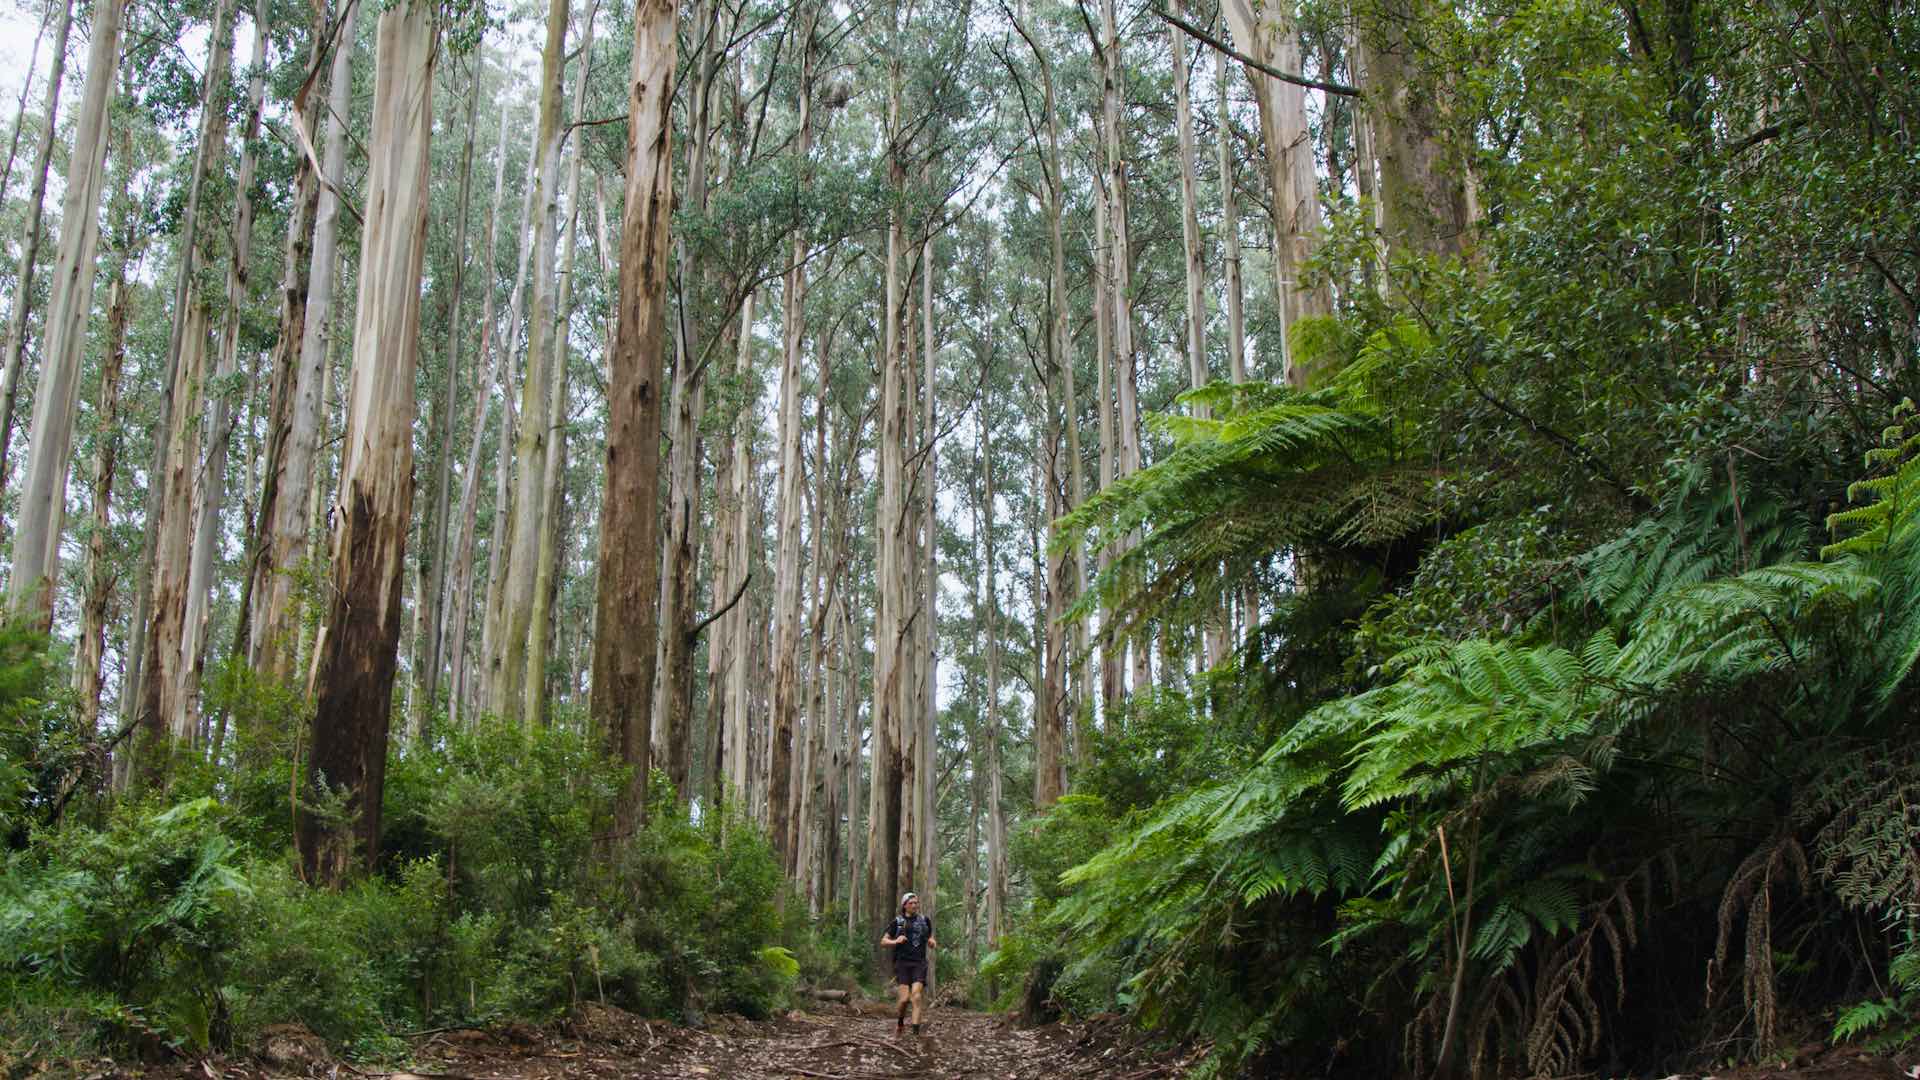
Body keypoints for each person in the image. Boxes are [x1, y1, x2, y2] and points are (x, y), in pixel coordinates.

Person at [880, 891, 937, 1035]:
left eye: (916, 903)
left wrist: (931, 941)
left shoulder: (924, 920)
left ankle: (915, 1033)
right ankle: (900, 1022)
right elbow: (883, 941)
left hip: (919, 963)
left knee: (916, 996)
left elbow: (930, 936)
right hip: (902, 963)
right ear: (904, 905)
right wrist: (895, 941)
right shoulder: (898, 922)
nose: (914, 905)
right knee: (904, 999)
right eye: (911, 903)